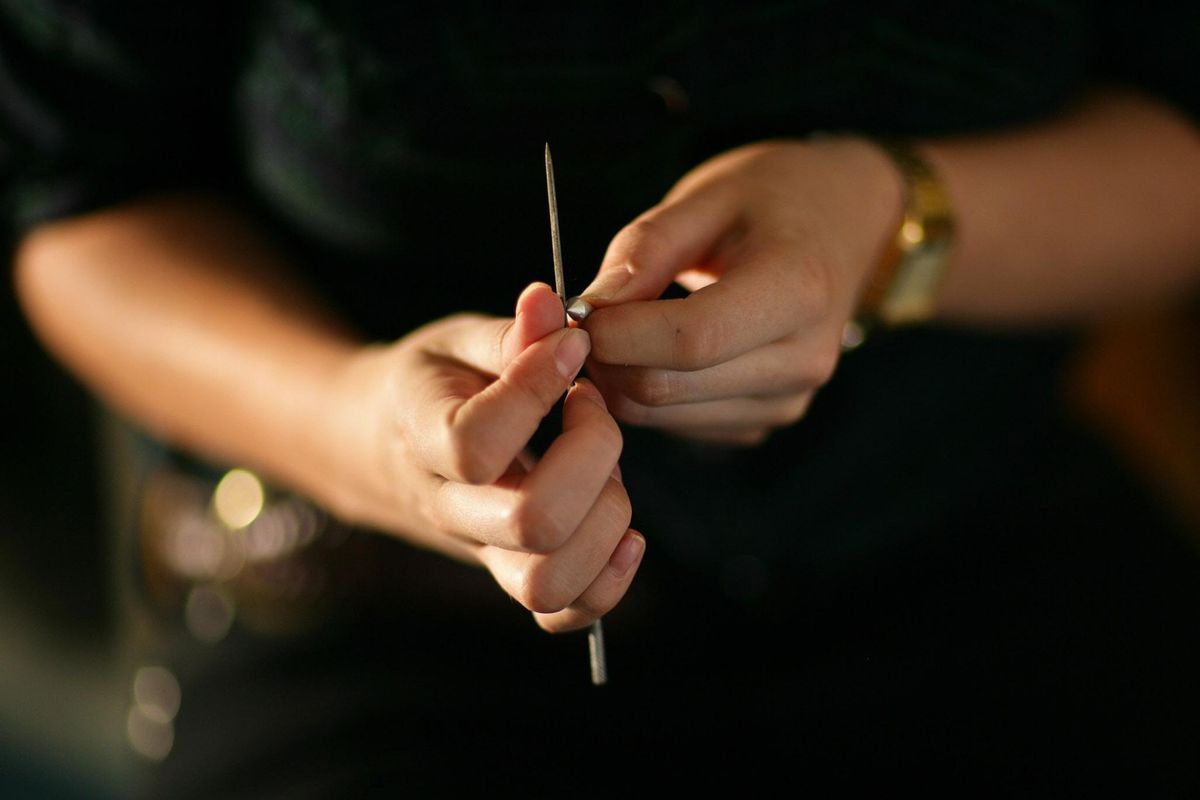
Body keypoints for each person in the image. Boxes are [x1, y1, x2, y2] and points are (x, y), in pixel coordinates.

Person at [5, 2, 1200, 794]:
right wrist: (362, 426)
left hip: (964, 552)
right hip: (382, 619)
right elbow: (79, 194)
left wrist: (882, 222)